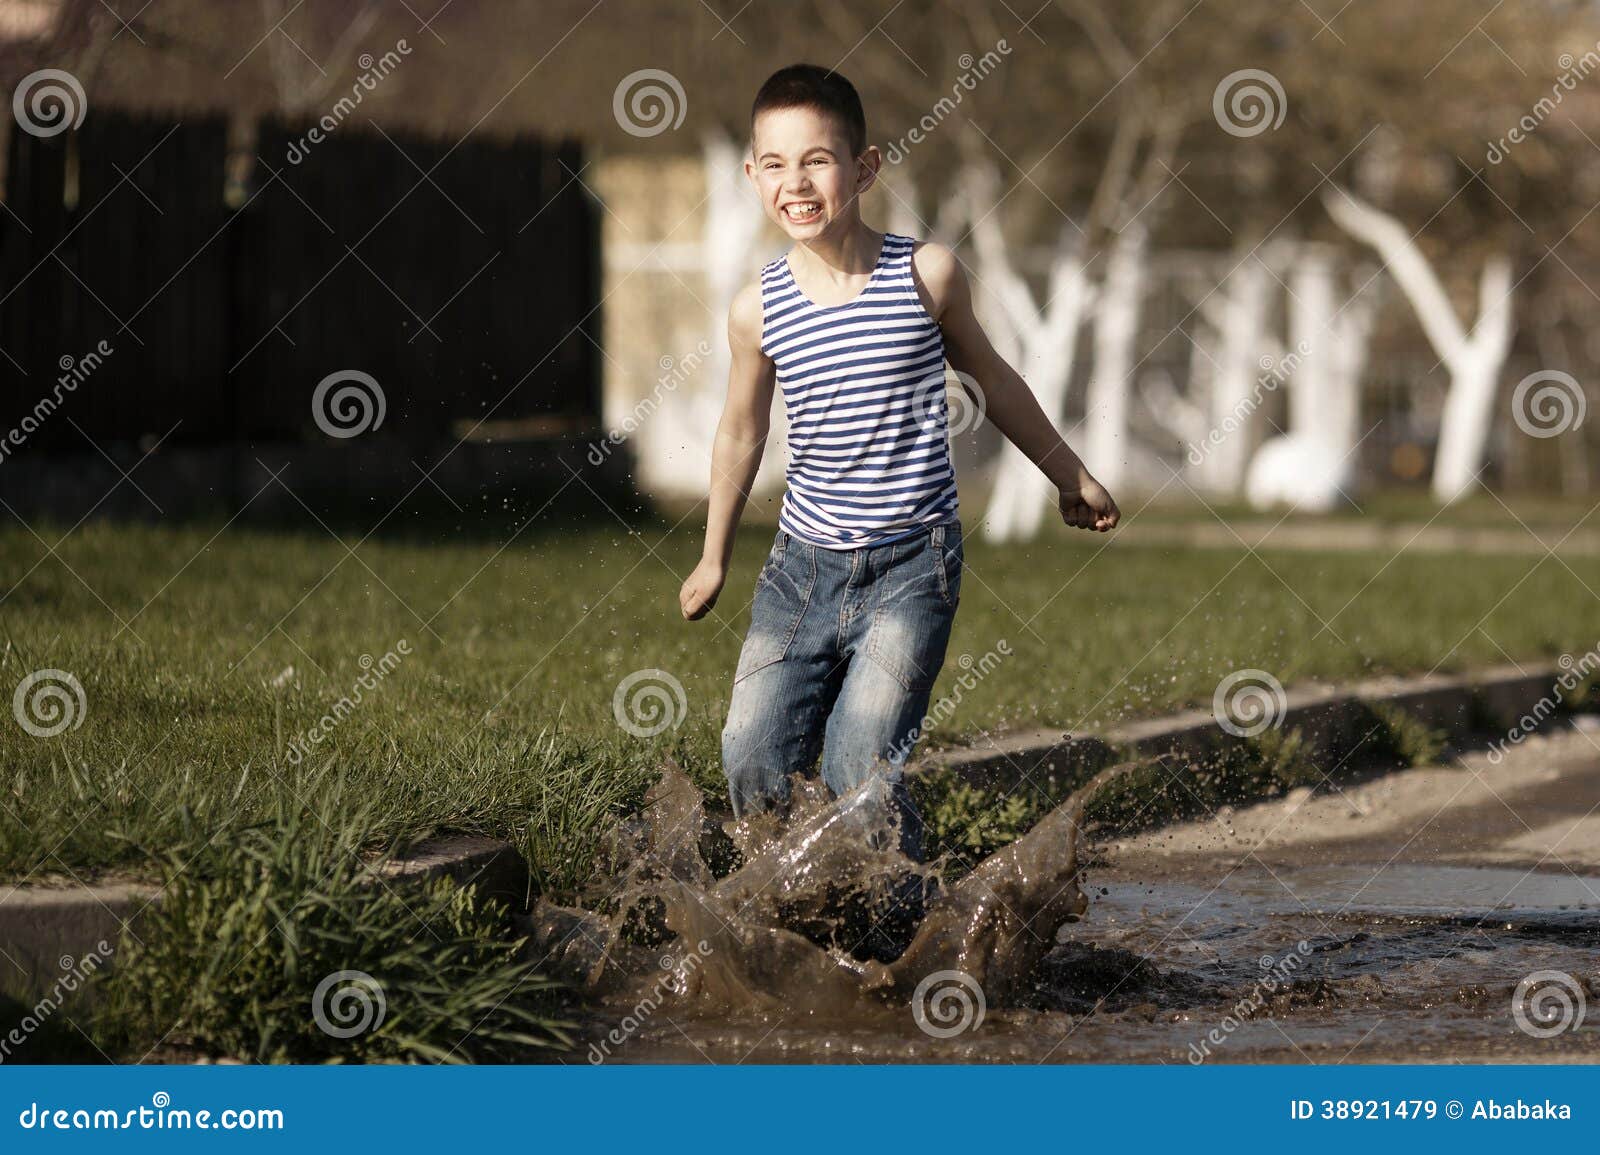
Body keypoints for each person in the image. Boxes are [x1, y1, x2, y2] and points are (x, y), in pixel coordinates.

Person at [678, 64, 1119, 859]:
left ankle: (903, 924)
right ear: (752, 175)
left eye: (817, 159)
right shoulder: (758, 309)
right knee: (751, 758)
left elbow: (995, 380)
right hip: (798, 573)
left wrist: (1069, 473)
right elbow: (740, 431)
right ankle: (791, 913)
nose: (797, 181)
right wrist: (714, 555)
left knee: (860, 767)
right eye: (775, 164)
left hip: (913, 567)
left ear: (865, 167)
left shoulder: (925, 275)